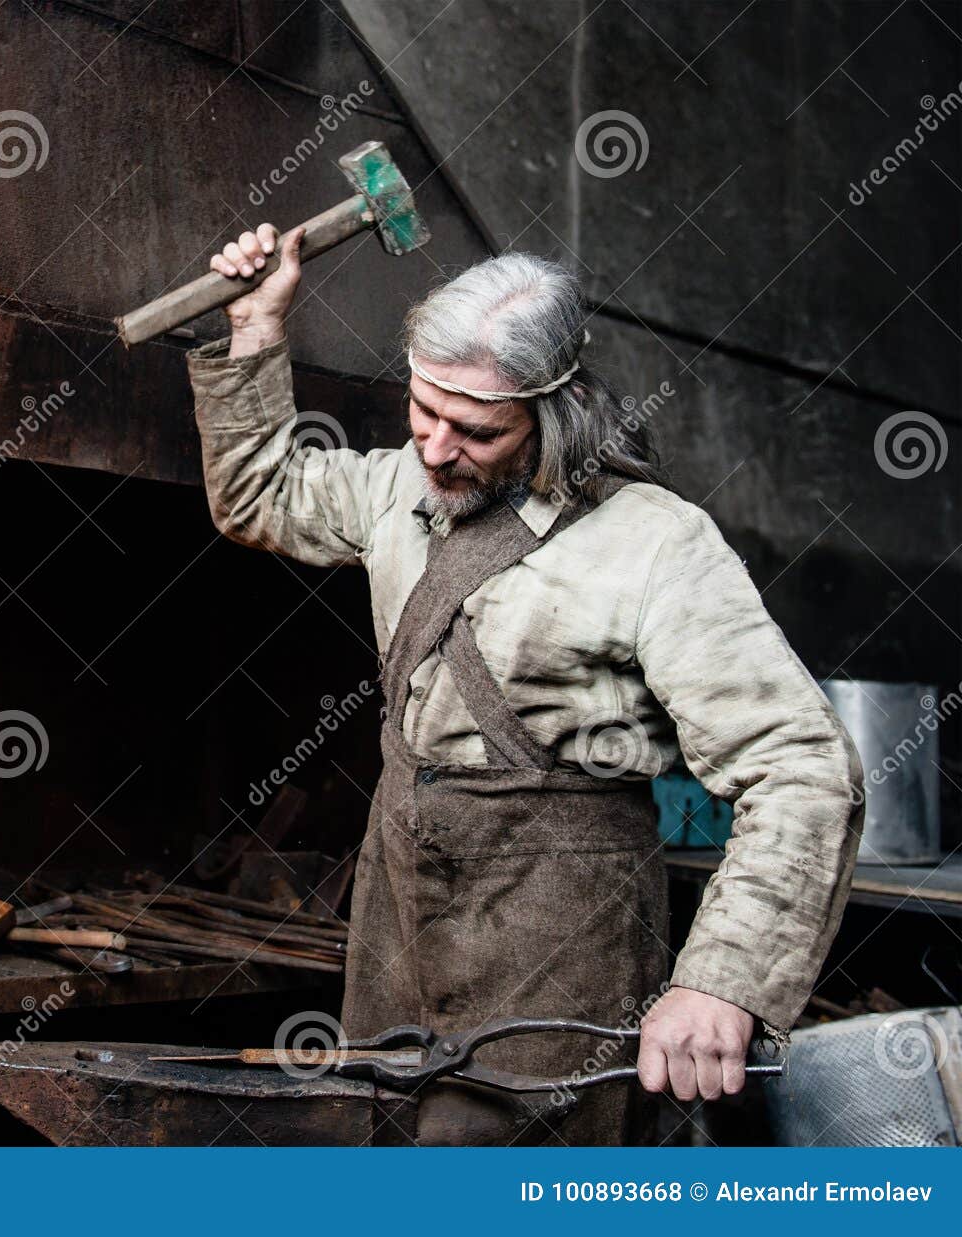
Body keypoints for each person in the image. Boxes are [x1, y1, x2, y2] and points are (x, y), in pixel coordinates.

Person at [186, 223, 864, 1144]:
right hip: (395, 914)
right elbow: (257, 497)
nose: (435, 448)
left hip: (561, 932)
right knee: (383, 1160)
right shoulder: (398, 488)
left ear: (552, 409)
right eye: (422, 410)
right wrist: (258, 325)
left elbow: (803, 767)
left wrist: (722, 983)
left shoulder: (657, 544)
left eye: (475, 431)